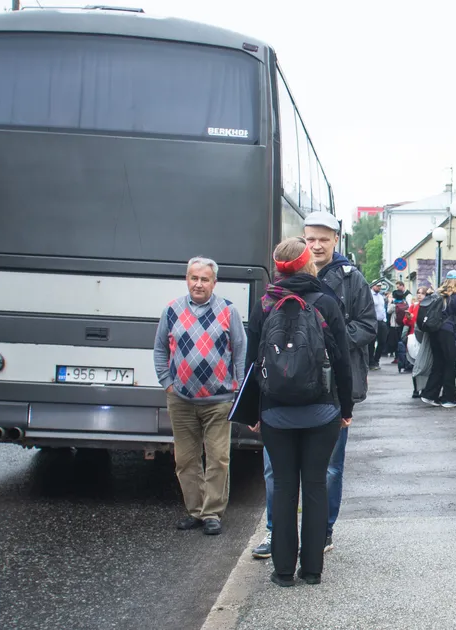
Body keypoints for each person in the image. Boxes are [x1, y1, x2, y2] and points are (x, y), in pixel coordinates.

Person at [252, 212, 376, 560]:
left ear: (336, 240)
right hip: (279, 390)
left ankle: (322, 533)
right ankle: (276, 531)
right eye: (311, 239)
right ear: (303, 241)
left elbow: (368, 325)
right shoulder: (279, 283)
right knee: (275, 470)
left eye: (324, 238)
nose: (317, 245)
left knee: (329, 470)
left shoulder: (351, 279)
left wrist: (322, 343)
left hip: (330, 390)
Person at [246, 237, 354, 587]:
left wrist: (253, 412)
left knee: (284, 487)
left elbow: (252, 363)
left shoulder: (264, 304)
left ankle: (282, 572)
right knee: (315, 486)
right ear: (309, 264)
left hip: (276, 413)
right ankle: (312, 571)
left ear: (278, 267)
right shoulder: (325, 301)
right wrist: (346, 408)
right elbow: (342, 360)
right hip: (322, 411)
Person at [153, 257, 246, 536]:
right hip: (181, 400)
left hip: (219, 400)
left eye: (205, 279)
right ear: (187, 279)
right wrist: (167, 383)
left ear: (214, 283)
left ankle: (212, 513)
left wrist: (238, 387)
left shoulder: (228, 310)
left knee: (218, 459)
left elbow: (240, 351)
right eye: (194, 278)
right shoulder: (172, 310)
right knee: (186, 461)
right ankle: (194, 511)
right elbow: (160, 350)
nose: (198, 284)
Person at [420, 271, 456, 408]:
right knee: (450, 363)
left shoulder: (436, 296)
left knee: (438, 363)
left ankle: (430, 394)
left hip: (434, 332)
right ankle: (448, 398)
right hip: (447, 333)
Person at [369, 283, 388, 371]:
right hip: (373, 321)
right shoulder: (369, 295)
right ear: (373, 286)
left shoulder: (380, 296)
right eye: (377, 286)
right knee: (371, 342)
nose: (379, 287)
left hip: (381, 322)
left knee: (382, 341)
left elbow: (383, 308)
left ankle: (376, 359)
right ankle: (371, 361)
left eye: (380, 286)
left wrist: (384, 319)